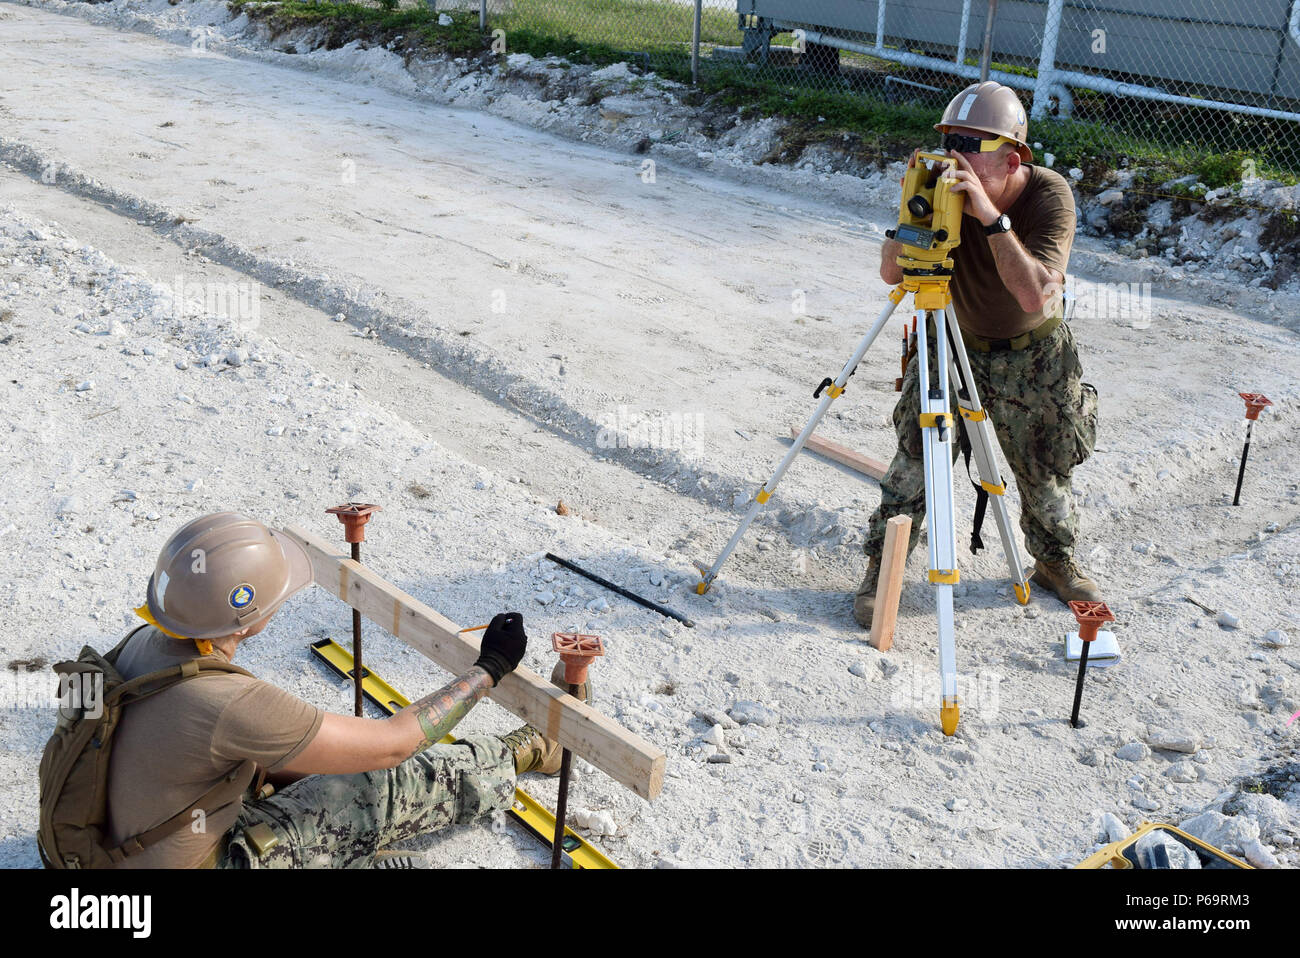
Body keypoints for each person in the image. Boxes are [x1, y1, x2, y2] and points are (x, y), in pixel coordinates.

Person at [105, 511, 574, 868]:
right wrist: (489, 668)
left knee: (296, 768)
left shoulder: (142, 646)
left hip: (120, 849)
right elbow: (392, 745)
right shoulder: (226, 702)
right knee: (378, 782)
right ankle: (527, 752)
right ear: (246, 618)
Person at [853, 81, 1101, 629]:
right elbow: (891, 272)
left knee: (1043, 466)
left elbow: (1036, 294)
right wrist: (914, 208)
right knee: (916, 456)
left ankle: (1054, 562)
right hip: (951, 338)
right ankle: (883, 568)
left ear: (1012, 159)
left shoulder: (1048, 195)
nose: (954, 155)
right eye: (949, 140)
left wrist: (989, 217)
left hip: (1032, 354)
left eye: (970, 144)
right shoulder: (939, 186)